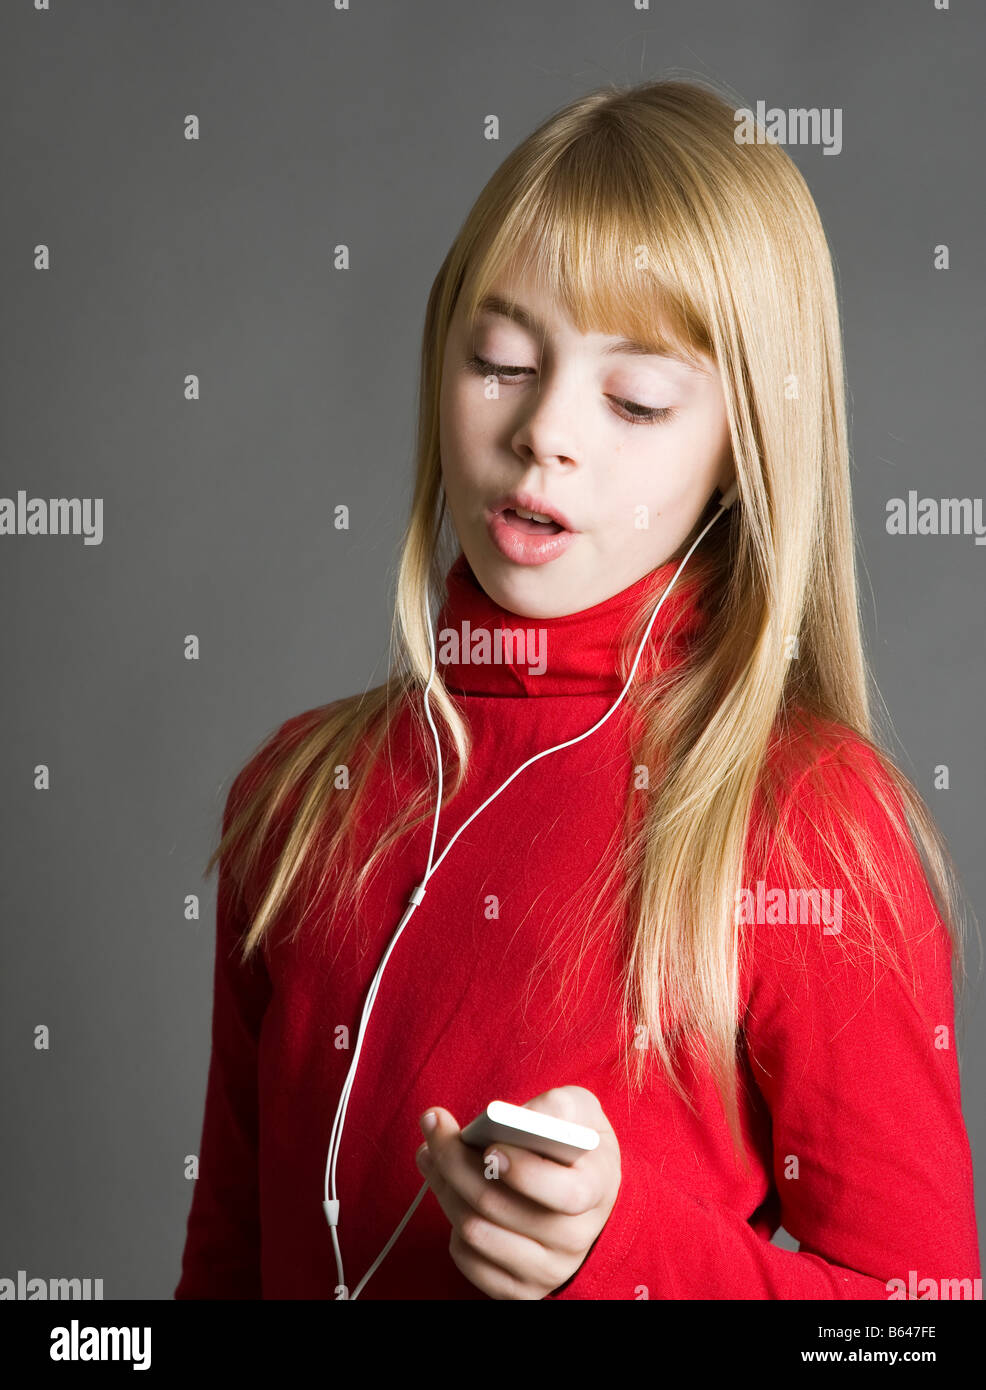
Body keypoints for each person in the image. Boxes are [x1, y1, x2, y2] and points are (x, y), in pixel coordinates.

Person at [174, 79, 981, 1300]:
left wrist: (625, 1258)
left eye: (636, 398)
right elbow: (226, 1268)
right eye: (499, 360)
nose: (545, 427)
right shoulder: (295, 803)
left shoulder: (804, 820)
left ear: (741, 448)